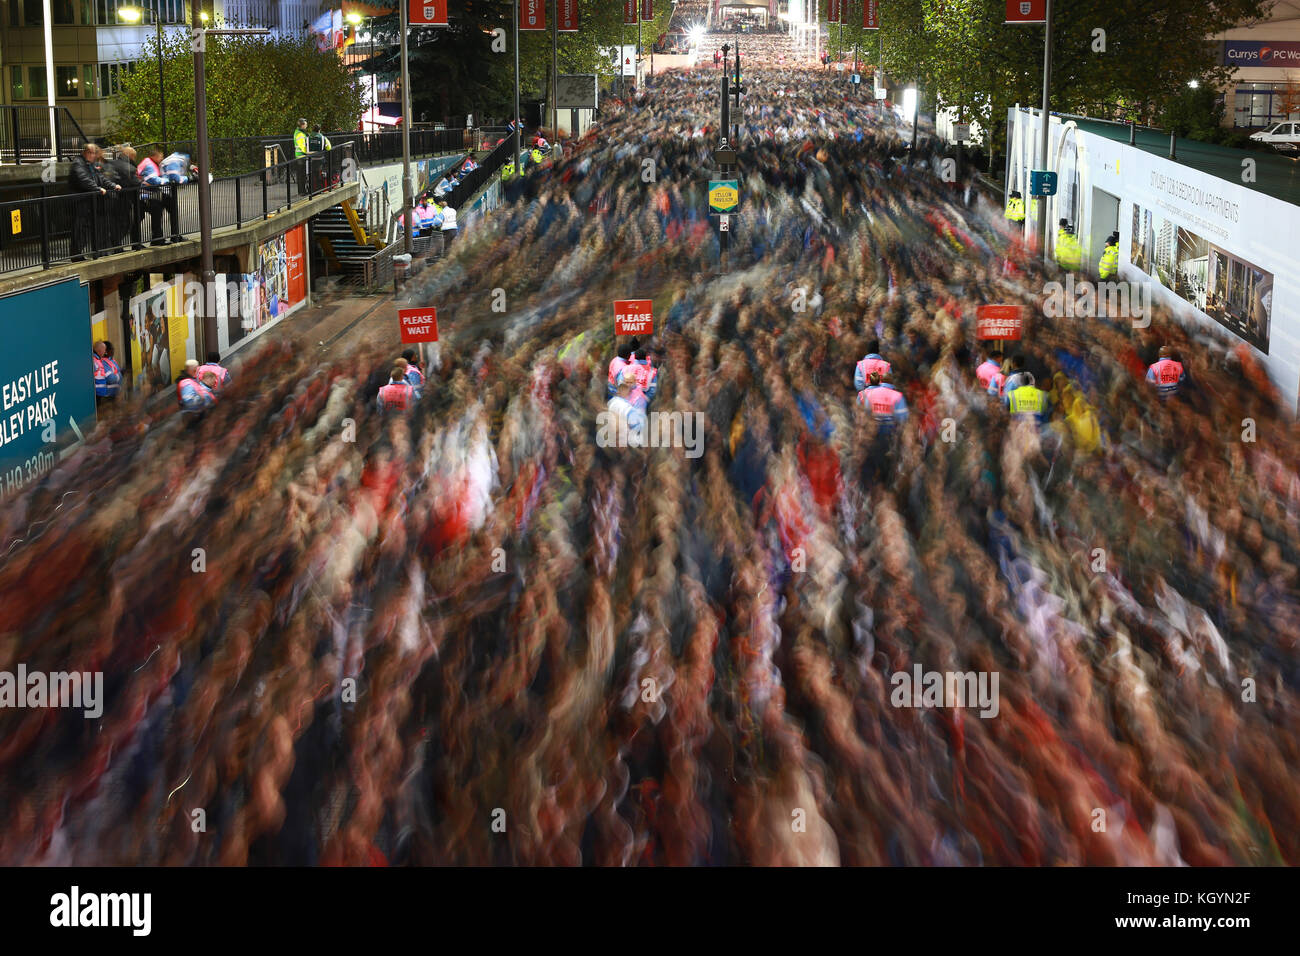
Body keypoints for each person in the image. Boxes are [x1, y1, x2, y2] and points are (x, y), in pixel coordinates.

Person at [69, 144, 120, 261]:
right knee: (80, 228)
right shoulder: (78, 163)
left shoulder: (89, 164)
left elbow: (100, 178)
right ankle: (76, 255)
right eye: (93, 153)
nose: (95, 156)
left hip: (89, 202)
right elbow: (84, 180)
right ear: (87, 153)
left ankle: (88, 253)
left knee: (88, 228)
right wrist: (97, 189)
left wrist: (112, 185)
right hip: (81, 202)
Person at [105, 145, 144, 250]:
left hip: (110, 198)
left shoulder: (111, 163)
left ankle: (116, 246)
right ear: (131, 156)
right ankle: (116, 246)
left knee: (115, 223)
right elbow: (136, 183)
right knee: (125, 223)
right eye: (134, 157)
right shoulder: (129, 167)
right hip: (123, 199)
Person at [136, 146, 178, 245]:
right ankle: (158, 239)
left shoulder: (150, 163)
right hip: (148, 195)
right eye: (160, 156)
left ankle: (162, 238)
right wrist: (168, 181)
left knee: (160, 213)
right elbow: (154, 180)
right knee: (157, 213)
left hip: (150, 194)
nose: (162, 159)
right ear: (154, 156)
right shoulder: (149, 164)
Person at [607, 367, 647, 446]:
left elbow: (639, 422)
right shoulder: (618, 398)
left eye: (630, 382)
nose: (628, 385)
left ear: (635, 382)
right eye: (626, 382)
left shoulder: (640, 398)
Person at [92, 340, 122, 406]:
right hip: (99, 394)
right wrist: (118, 376)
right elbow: (111, 378)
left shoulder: (98, 360)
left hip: (102, 393)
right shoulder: (95, 361)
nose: (105, 352)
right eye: (104, 350)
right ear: (99, 350)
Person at [292, 118, 310, 195]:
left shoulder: (299, 132)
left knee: (301, 174)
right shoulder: (300, 134)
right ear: (302, 125)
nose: (306, 126)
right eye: (305, 124)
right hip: (301, 156)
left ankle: (302, 191)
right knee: (301, 175)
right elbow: (302, 146)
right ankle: (302, 192)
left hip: (300, 156)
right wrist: (307, 152)